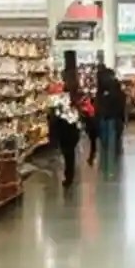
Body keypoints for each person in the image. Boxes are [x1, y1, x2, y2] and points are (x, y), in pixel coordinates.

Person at [50, 58, 83, 188]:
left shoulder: (61, 94)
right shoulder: (77, 93)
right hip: (73, 126)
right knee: (70, 152)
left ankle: (68, 176)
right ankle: (70, 175)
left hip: (63, 125)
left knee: (66, 151)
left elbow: (56, 111)